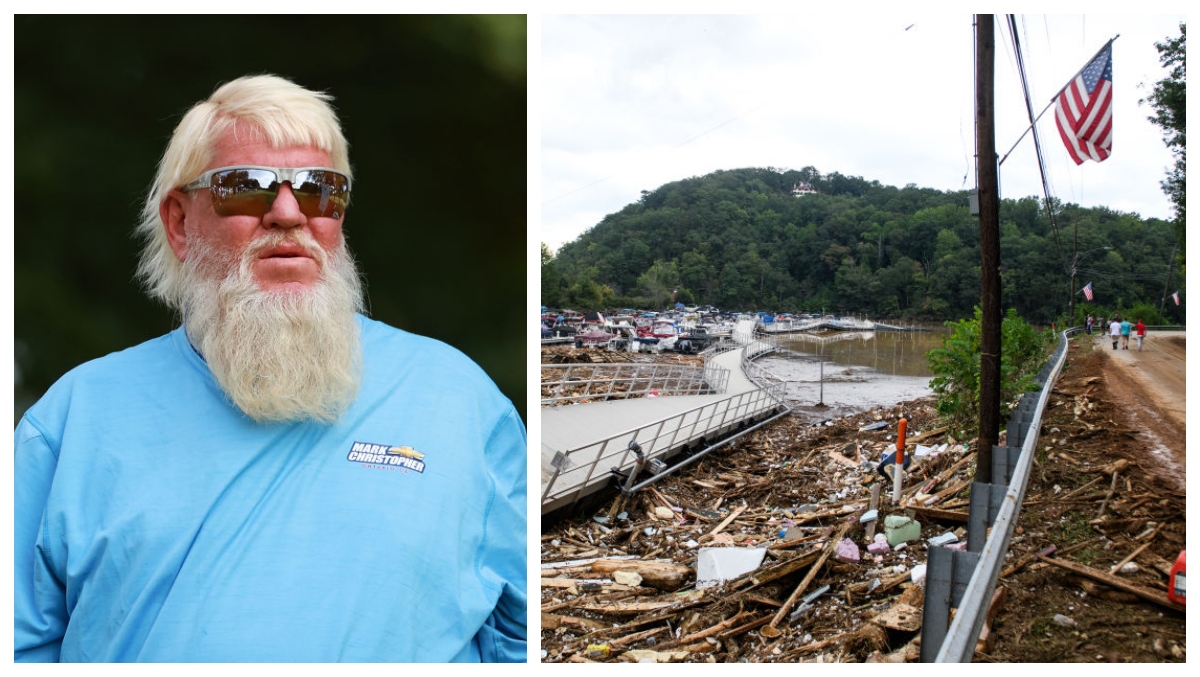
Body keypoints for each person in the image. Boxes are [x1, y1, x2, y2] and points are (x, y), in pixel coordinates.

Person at [14, 75, 527, 663]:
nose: (288, 213)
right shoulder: (76, 417)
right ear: (180, 222)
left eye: (318, 189)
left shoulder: (457, 397)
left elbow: (518, 638)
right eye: (245, 187)